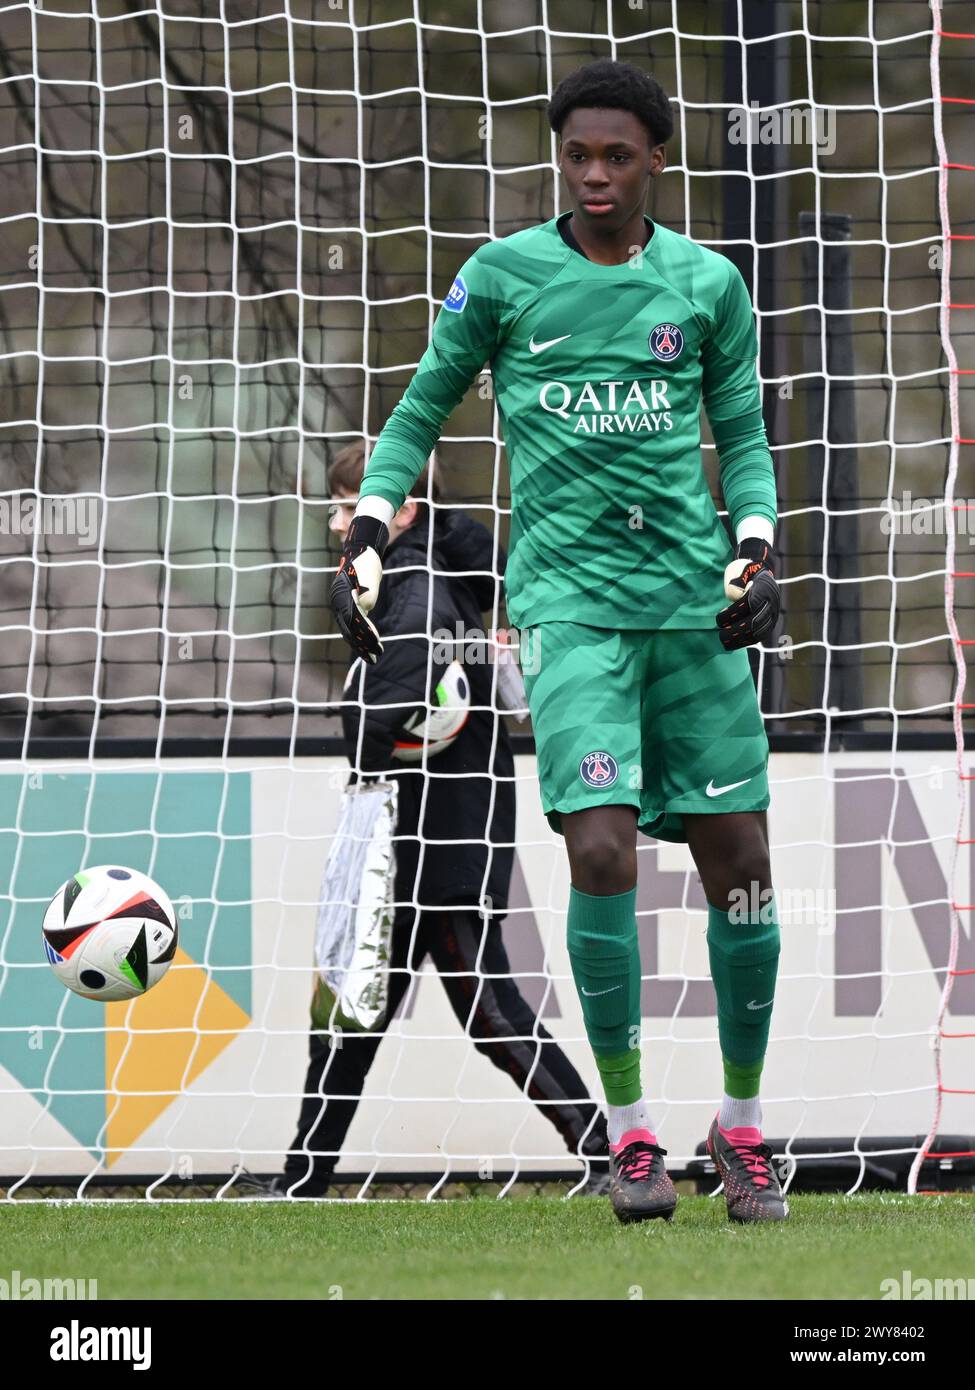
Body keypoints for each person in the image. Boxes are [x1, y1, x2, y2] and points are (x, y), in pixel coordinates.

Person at [330, 60, 788, 1224]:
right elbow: (421, 406)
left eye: (617, 156)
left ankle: (739, 1125)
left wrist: (756, 547)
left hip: (691, 606)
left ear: (657, 161)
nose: (593, 174)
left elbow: (740, 431)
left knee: (741, 862)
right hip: (570, 608)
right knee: (600, 851)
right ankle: (630, 1135)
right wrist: (372, 527)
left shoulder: (708, 285)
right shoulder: (500, 278)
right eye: (577, 154)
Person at [241, 442, 609, 1198]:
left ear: (399, 511)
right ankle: (302, 1180)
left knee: (485, 1009)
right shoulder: (422, 581)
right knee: (352, 1009)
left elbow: (386, 717)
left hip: (439, 839)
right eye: (340, 508)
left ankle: (610, 1153)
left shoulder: (416, 591)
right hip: (406, 836)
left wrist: (366, 733)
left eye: (349, 507)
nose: (339, 524)